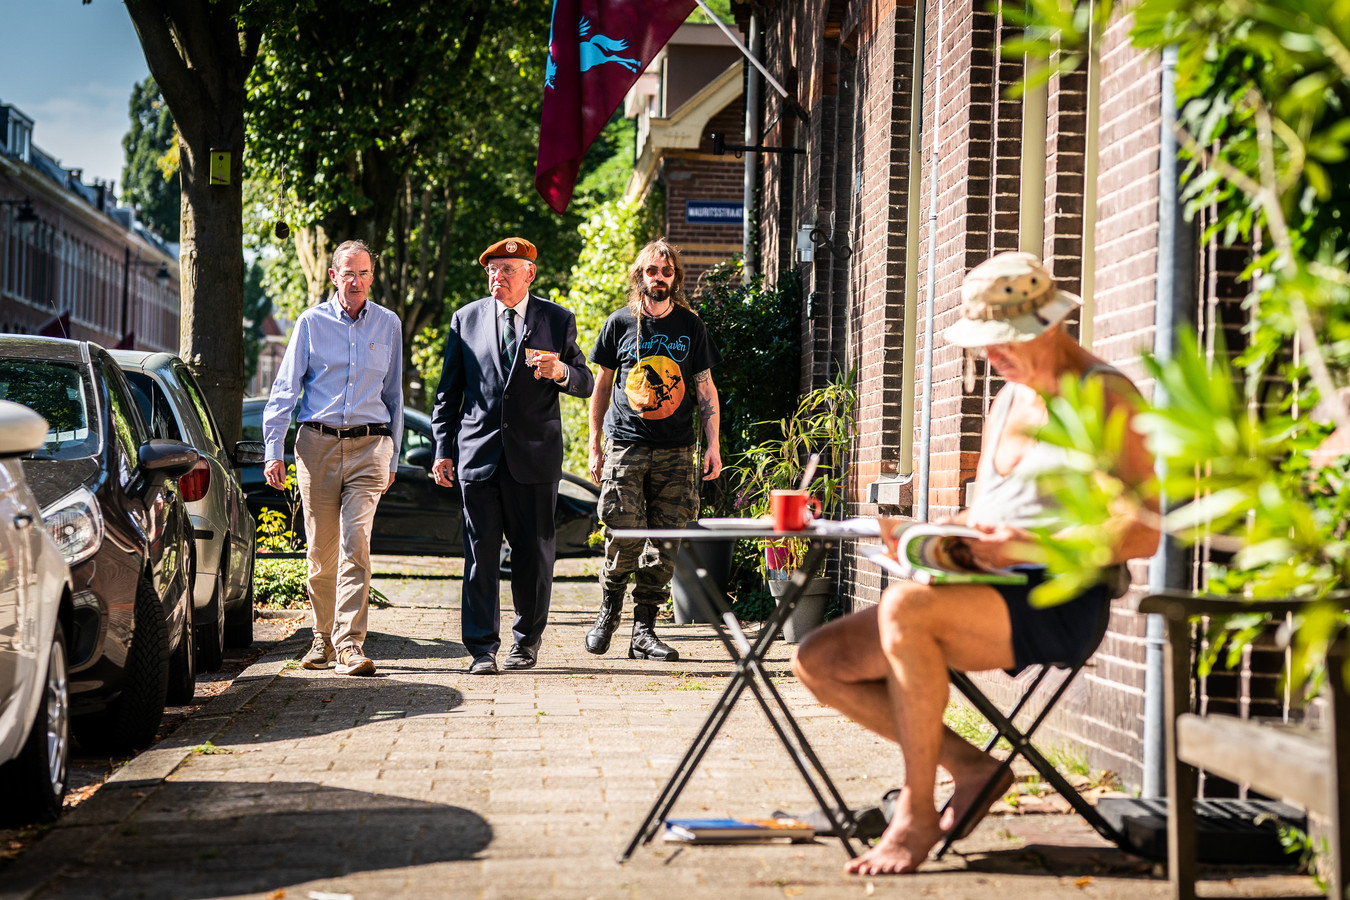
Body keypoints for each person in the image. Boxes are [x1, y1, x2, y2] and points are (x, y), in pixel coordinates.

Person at [792, 251, 1160, 875]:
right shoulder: (1009, 399)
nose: (990, 358)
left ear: (1047, 326)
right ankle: (972, 767)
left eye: (1001, 342)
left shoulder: (1105, 396)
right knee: (818, 660)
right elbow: (986, 514)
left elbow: (1142, 530)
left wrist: (1030, 546)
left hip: (1058, 599)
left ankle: (913, 814)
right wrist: (929, 535)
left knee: (907, 610)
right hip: (985, 586)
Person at [430, 237, 594, 675]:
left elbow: (586, 381)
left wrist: (560, 371)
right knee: (480, 555)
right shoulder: (465, 320)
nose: (496, 277)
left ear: (529, 274)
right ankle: (482, 649)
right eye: (491, 270)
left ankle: (526, 642)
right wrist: (442, 450)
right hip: (478, 457)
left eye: (506, 269)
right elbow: (448, 392)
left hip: (535, 460)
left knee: (533, 555)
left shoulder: (556, 320)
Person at [262, 239, 403, 678]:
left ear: (372, 276)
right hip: (317, 445)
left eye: (364, 273)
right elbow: (285, 390)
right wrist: (274, 449)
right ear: (333, 276)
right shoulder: (310, 323)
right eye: (349, 273)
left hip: (370, 446)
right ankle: (321, 637)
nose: (357, 281)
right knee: (322, 552)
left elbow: (394, 394)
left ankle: (349, 643)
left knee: (355, 542)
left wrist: (393, 455)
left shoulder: (389, 324)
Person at [584, 240, 723, 661]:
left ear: (675, 278)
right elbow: (602, 386)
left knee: (665, 541)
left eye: (665, 272)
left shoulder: (690, 325)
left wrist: (712, 445)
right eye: (651, 271)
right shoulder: (619, 324)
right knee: (623, 534)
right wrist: (594, 444)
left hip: (678, 450)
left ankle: (644, 630)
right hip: (626, 444)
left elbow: (704, 386)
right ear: (639, 276)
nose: (658, 278)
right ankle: (609, 610)